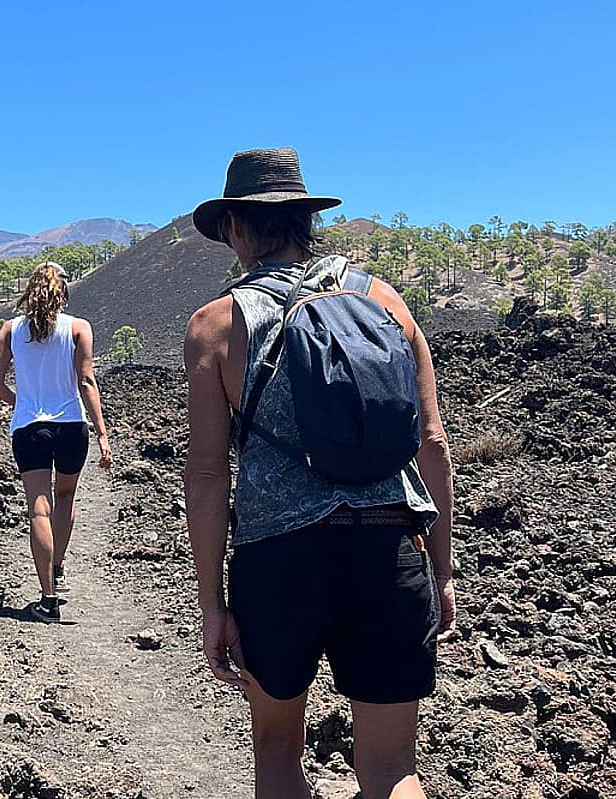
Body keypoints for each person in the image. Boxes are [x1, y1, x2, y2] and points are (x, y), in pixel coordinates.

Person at [183, 147, 456, 799]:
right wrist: (441, 570)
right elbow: (434, 445)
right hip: (390, 548)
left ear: (235, 227)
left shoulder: (214, 325)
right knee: (393, 770)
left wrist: (212, 605)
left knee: (278, 752)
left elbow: (206, 477)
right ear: (306, 219)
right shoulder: (385, 301)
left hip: (278, 562)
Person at [0, 262, 113, 623]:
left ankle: (48, 599)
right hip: (72, 426)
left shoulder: (10, 330)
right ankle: (57, 565)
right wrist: (103, 434)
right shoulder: (78, 328)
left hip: (30, 429)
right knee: (66, 497)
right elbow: (87, 381)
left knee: (38, 509)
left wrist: (23, 404)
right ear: (63, 292)